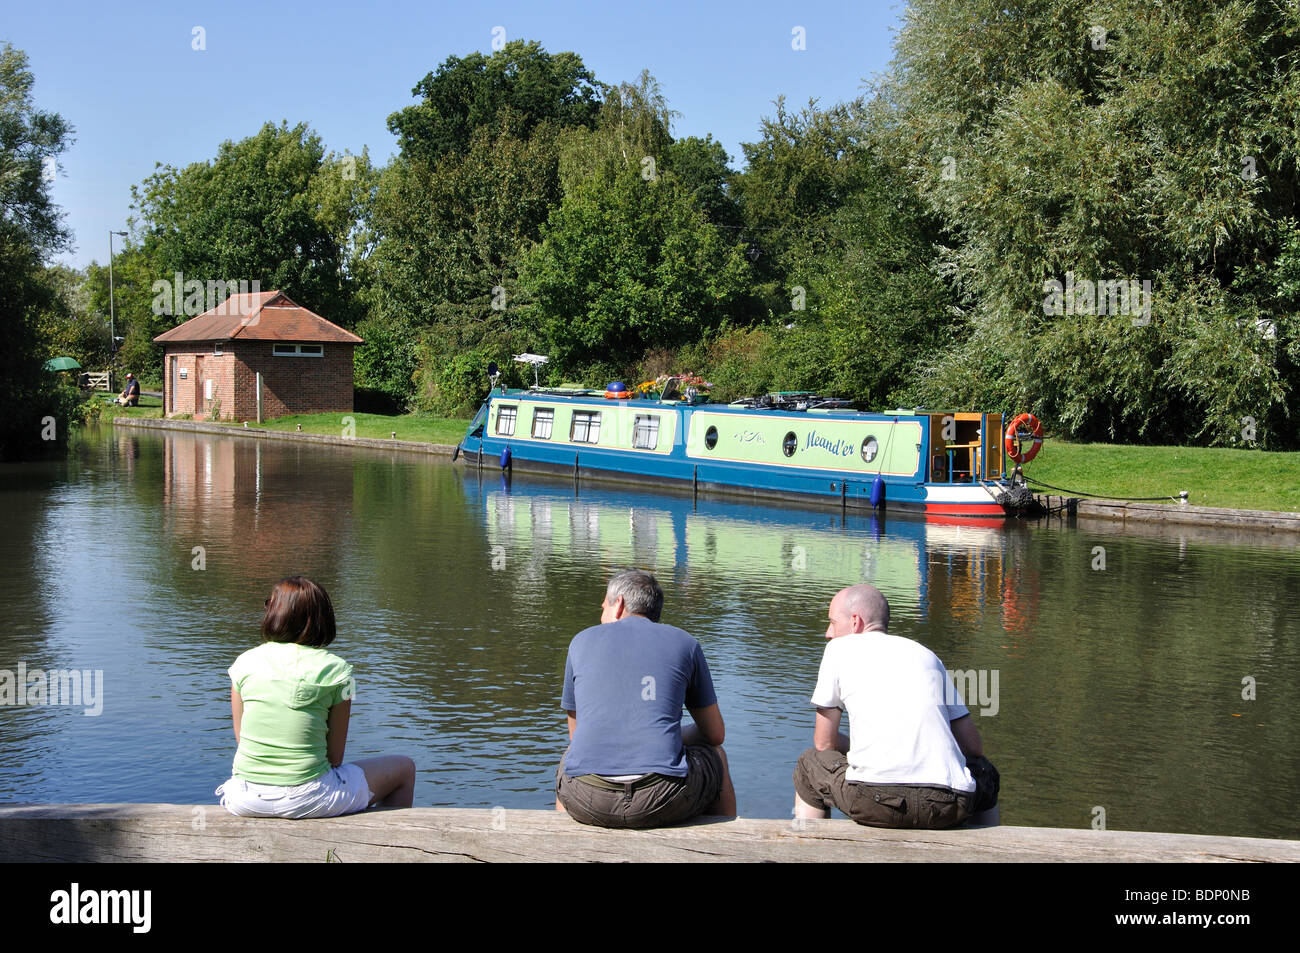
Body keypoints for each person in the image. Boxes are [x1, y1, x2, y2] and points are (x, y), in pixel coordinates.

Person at [793, 583, 999, 828]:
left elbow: (823, 743)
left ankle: (809, 850)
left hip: (875, 801)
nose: (828, 632)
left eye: (833, 622)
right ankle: (985, 847)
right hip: (949, 804)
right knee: (985, 771)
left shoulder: (838, 648)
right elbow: (973, 747)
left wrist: (853, 747)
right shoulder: (927, 655)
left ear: (855, 621)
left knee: (809, 764)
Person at [216, 576, 416, 818]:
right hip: (308, 797)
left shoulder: (243, 663)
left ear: (275, 613)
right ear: (323, 618)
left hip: (244, 797)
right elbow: (334, 757)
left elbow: (243, 740)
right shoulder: (340, 672)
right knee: (405, 768)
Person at [555, 569, 737, 827]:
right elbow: (715, 735)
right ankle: (729, 842)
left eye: (603, 607)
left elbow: (576, 735)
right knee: (717, 756)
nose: (601, 615)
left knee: (571, 758)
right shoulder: (685, 643)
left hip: (588, 798)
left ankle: (561, 841)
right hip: (663, 797)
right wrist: (670, 735)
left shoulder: (580, 641)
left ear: (618, 605)